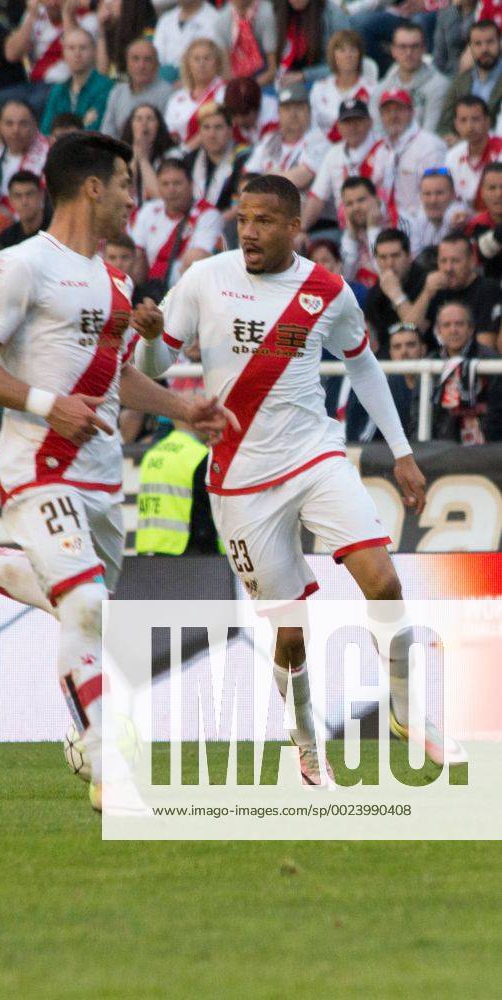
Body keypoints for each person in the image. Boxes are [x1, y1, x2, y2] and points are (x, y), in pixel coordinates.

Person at [0, 130, 233, 811]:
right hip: (36, 466)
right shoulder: (19, 266)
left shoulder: (115, 282)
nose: (130, 196)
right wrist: (43, 404)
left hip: (99, 474)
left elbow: (116, 381)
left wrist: (182, 406)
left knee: (79, 604)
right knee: (86, 606)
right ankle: (101, 754)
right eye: (123, 184)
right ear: (93, 187)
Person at [133, 173, 463, 781]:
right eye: (242, 219)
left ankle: (405, 708)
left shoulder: (327, 290)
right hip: (238, 483)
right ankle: (306, 739)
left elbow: (364, 367)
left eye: (263, 221)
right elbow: (152, 364)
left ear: (293, 228)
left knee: (385, 582)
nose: (249, 232)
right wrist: (150, 337)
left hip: (314, 458)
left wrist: (401, 451)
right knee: (291, 638)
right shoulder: (205, 279)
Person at [130, 157, 223, 298]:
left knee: (194, 257)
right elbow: (137, 256)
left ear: (191, 185)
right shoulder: (149, 210)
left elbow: (199, 260)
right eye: (165, 184)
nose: (171, 190)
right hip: (151, 290)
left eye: (177, 183)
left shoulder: (208, 214)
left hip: (185, 293)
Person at [136, 417, 220, 555]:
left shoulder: (153, 453)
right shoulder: (199, 455)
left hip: (151, 549)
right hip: (192, 552)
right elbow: (215, 511)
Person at [406, 232, 502, 351]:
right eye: (443, 261)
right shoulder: (433, 288)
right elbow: (408, 331)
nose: (448, 268)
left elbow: (486, 344)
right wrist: (426, 294)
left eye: (455, 261)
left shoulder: (487, 289)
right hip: (433, 363)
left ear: (472, 261)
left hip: (471, 363)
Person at [366, 89, 447, 224]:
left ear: (412, 113)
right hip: (387, 226)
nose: (393, 116)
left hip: (421, 224)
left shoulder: (430, 146)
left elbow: (439, 196)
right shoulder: (381, 150)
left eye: (399, 109)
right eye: (387, 111)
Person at [4, 0, 98, 116]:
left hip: (64, 84)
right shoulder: (37, 14)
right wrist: (31, 16)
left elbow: (75, 56)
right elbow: (11, 54)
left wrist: (67, 15)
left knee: (32, 105)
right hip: (33, 83)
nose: (53, 3)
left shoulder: (88, 18)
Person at [301, 98, 379, 234]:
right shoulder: (333, 153)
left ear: (369, 122)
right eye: (347, 122)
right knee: (321, 252)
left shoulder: (383, 149)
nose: (353, 127)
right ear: (339, 127)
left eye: (358, 121)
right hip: (346, 230)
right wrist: (301, 230)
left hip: (380, 225)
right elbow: (317, 197)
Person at [431, 301, 502, 445]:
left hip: (485, 450)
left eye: (459, 324)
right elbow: (418, 412)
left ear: (471, 329)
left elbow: (496, 411)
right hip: (440, 452)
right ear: (438, 331)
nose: (453, 330)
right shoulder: (429, 364)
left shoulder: (491, 361)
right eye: (447, 325)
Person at [345, 322, 425, 444]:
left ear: (423, 349)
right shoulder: (378, 385)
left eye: (411, 345)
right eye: (397, 347)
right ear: (391, 353)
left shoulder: (436, 382)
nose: (404, 352)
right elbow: (363, 438)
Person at [245, 82, 328, 197]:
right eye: (287, 109)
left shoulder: (319, 139)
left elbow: (299, 179)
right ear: (279, 113)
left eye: (299, 108)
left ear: (309, 111)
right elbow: (248, 177)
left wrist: (264, 179)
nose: (293, 114)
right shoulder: (269, 140)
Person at [370, 23, 449, 135]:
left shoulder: (439, 85)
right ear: (393, 50)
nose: (408, 53)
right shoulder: (381, 88)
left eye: (414, 46)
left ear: (424, 49)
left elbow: (430, 133)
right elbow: (376, 131)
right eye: (402, 47)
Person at [363, 228, 428, 358]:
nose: (389, 264)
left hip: (425, 355)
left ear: (409, 256)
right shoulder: (374, 294)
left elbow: (419, 329)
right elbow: (375, 341)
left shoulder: (426, 282)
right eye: (383, 257)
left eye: (395, 256)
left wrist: (396, 295)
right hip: (389, 360)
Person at [39, 29, 113, 135]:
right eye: (71, 48)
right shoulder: (58, 90)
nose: (77, 54)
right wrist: (83, 122)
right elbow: (46, 130)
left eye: (83, 48)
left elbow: (96, 130)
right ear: (64, 53)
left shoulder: (106, 88)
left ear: (94, 52)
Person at [438, 20, 502, 143]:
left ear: (499, 43)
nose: (485, 49)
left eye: (490, 42)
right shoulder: (460, 80)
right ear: (470, 47)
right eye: (478, 44)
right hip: (461, 149)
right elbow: (443, 125)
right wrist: (450, 138)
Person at [0, 100, 49, 209]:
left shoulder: (48, 156)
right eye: (9, 123)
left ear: (35, 125)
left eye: (23, 123)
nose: (15, 130)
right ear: (0, 126)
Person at [100, 39, 172, 140]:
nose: (141, 66)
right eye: (135, 59)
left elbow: (167, 135)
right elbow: (107, 131)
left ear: (156, 65)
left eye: (147, 60)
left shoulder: (167, 94)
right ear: (127, 63)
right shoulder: (117, 91)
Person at [309, 29, 373, 142]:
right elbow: (312, 126)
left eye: (353, 50)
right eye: (342, 50)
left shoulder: (372, 89)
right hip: (323, 149)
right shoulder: (319, 88)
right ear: (333, 56)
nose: (348, 55)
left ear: (360, 55)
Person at [183, 103, 247, 212]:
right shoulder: (190, 160)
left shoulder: (244, 159)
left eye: (218, 127)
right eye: (206, 127)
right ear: (200, 132)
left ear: (230, 130)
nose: (212, 135)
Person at [164, 39, 225, 147]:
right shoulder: (177, 97)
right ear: (188, 64)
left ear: (217, 62)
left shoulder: (225, 92)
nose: (201, 64)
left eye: (207, 58)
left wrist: (183, 152)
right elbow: (170, 133)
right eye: (196, 59)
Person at [445, 96, 502, 211]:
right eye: (463, 120)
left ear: (487, 121)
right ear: (456, 124)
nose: (470, 127)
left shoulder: (500, 150)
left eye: (475, 119)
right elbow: (449, 198)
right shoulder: (452, 156)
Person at [275, 0, 350, 87]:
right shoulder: (283, 10)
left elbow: (344, 64)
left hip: (326, 81)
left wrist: (303, 76)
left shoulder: (334, 15)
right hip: (290, 76)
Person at [120, 104, 174, 209]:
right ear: (131, 126)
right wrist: (135, 158)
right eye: (139, 119)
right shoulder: (121, 156)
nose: (144, 123)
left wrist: (143, 159)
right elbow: (124, 194)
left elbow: (160, 197)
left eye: (150, 119)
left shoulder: (170, 156)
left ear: (158, 125)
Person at [407, 167, 470, 258]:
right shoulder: (416, 219)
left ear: (453, 194)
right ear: (420, 196)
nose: (433, 200)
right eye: (427, 194)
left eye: (439, 193)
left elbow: (455, 214)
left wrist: (455, 219)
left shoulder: (459, 211)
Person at [214, 0, 278, 89]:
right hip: (236, 79)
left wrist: (251, 87)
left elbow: (272, 70)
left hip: (262, 76)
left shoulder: (266, 13)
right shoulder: (221, 20)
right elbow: (226, 70)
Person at [153, 0, 219, 80]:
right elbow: (156, 56)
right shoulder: (166, 19)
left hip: (198, 82)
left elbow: (212, 62)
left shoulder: (215, 20)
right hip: (164, 81)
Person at [339, 175, 384, 290]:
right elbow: (345, 279)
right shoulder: (350, 232)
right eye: (349, 204)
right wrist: (352, 237)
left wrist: (373, 229)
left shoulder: (397, 223)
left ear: (376, 200)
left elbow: (384, 270)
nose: (356, 208)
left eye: (361, 200)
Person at [95, 0, 156, 79]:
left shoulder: (149, 35)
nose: (109, 3)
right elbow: (102, 72)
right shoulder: (112, 31)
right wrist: (101, 29)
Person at [466, 161, 502, 283]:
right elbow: (482, 253)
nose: (499, 194)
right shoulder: (476, 225)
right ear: (482, 193)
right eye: (492, 188)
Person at [0, 170, 51, 249]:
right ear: (10, 200)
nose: (24, 202)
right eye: (18, 196)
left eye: (29, 194)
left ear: (41, 195)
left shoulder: (55, 228)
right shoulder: (6, 238)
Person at [222, 77, 279, 149]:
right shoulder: (226, 114)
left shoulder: (275, 117)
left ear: (257, 107)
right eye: (234, 114)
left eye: (244, 114)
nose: (239, 120)